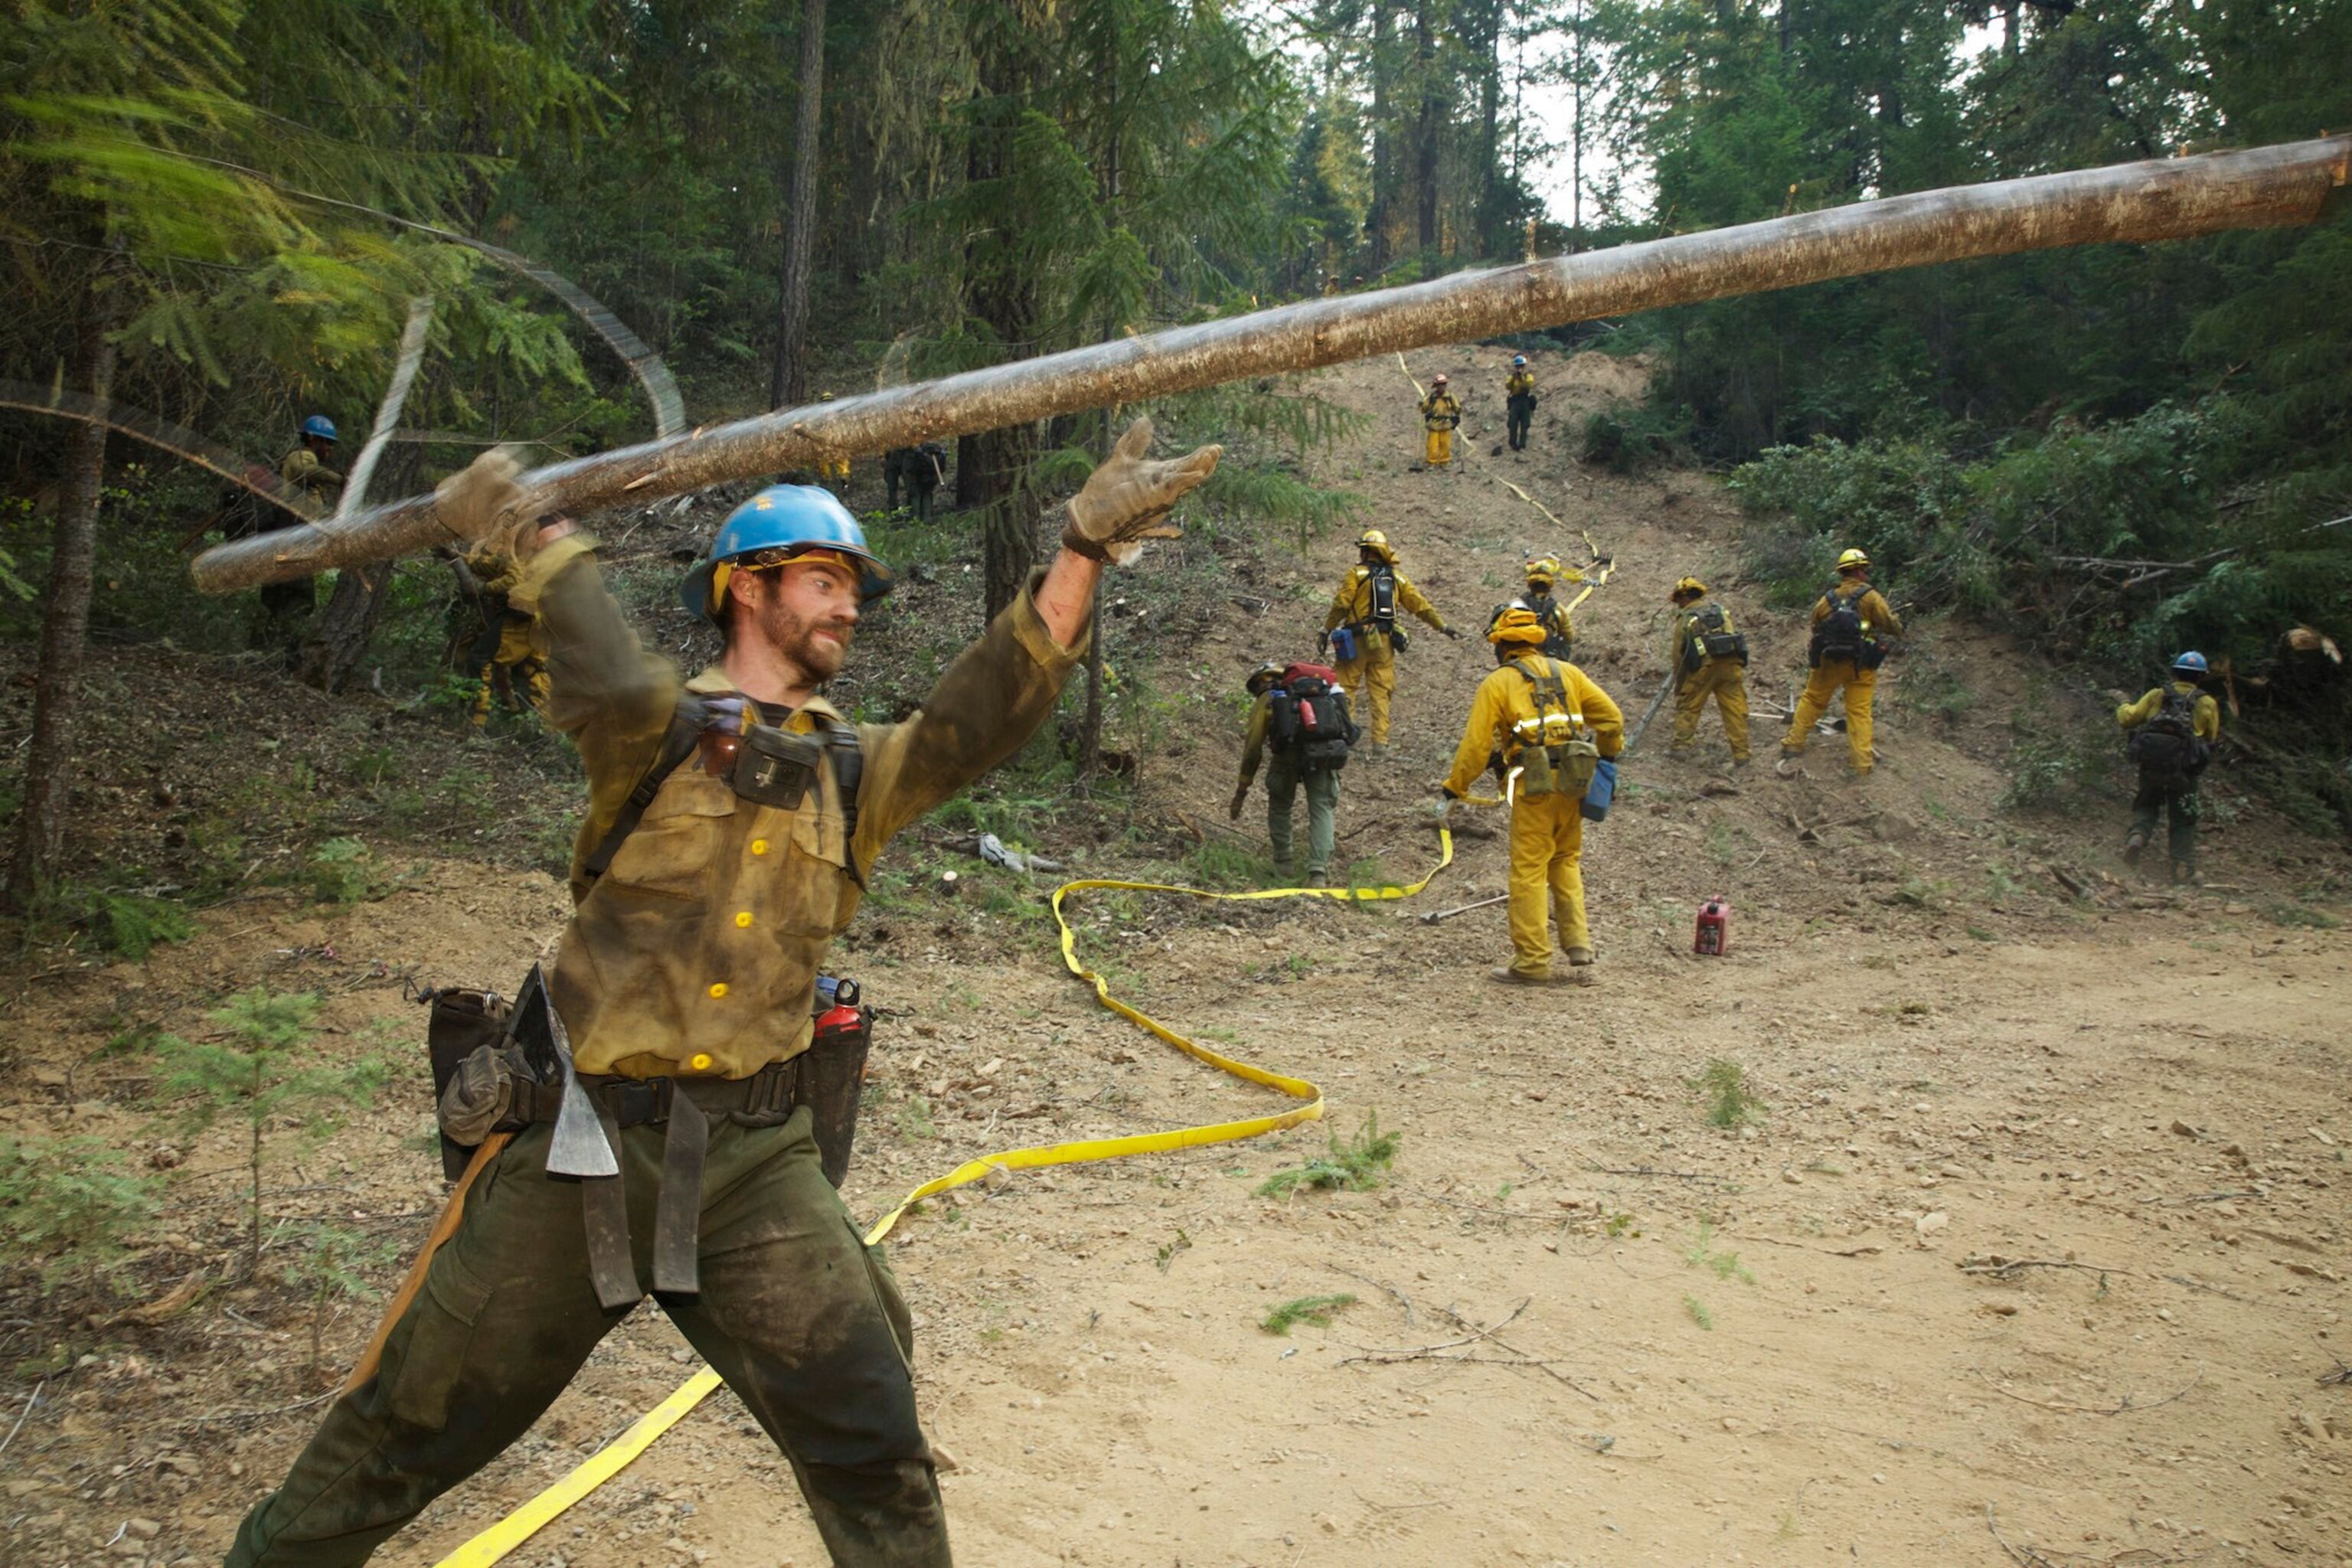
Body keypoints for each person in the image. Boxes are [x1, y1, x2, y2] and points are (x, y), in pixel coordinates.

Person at [222, 417, 1221, 1568]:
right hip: (578, 1153)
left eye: (854, 587)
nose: (850, 606)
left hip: (754, 1168)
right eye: (823, 580)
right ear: (747, 591)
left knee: (871, 1445)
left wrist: (1083, 549)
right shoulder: (649, 729)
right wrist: (533, 529)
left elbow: (985, 711)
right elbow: (596, 653)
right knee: (399, 1432)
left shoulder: (862, 774)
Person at [1440, 607, 1624, 986]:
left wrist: (1455, 788)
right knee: (1565, 858)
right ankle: (1578, 945)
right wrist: (1607, 757)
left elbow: (1476, 746)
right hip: (1575, 782)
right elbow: (1612, 720)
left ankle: (1533, 961)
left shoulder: (1499, 683)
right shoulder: (1568, 673)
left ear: (1503, 645)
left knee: (1529, 869)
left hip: (1534, 785)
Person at [1320, 528, 1458, 753]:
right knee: (1381, 691)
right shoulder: (1398, 578)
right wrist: (1443, 627)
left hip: (1355, 639)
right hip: (1384, 642)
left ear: (1365, 552)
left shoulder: (1356, 574)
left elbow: (1341, 604)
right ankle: (1380, 743)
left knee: (1346, 686)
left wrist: (1325, 630)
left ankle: (1345, 736)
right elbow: (1420, 606)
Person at [1230, 659, 1355, 884]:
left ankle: (1283, 866)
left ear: (1260, 682)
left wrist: (1242, 788)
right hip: (1323, 753)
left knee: (1280, 805)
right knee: (1322, 809)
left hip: (1286, 757)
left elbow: (1253, 748)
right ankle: (1318, 873)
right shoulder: (1322, 693)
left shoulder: (1268, 699)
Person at [1779, 547, 1901, 776]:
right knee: (1859, 712)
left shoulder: (1827, 600)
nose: (1866, 574)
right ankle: (1862, 764)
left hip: (1828, 662)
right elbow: (1890, 625)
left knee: (1813, 699)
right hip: (1860, 665)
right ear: (1857, 571)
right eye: (1864, 570)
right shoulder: (1872, 597)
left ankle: (1792, 744)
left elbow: (1815, 624)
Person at [2116, 652, 2220, 884]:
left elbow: (2128, 720)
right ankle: (2183, 870)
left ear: (2174, 672)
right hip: (2185, 772)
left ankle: (2137, 837)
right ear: (2201, 677)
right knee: (2184, 818)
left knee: (2147, 804)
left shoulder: (2157, 695)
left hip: (2151, 766)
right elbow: (2211, 738)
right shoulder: (2207, 703)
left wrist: (2123, 704)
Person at [1666, 577, 1750, 766]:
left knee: (1689, 705)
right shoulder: (1720, 611)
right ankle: (1742, 754)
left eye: (1678, 601)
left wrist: (1680, 685)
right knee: (1735, 710)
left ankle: (1681, 748)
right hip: (1731, 666)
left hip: (1704, 670)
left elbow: (1679, 655)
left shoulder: (1687, 618)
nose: (1678, 605)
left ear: (1684, 597)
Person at [1483, 555, 1575, 660]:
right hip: (1548, 663)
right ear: (1550, 586)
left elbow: (1498, 631)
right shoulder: (1558, 609)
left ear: (1530, 584)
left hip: (1518, 660)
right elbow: (1569, 637)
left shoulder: (1515, 606)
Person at [884, 442, 947, 521]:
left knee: (915, 493)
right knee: (926, 493)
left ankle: (915, 518)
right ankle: (926, 518)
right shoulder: (927, 452)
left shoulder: (911, 454)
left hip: (914, 466)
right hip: (927, 472)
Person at [1419, 374, 1462, 471]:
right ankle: (1432, 462)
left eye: (1443, 384)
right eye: (1439, 385)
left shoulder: (1450, 397)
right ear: (1436, 386)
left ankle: (1444, 462)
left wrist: (1459, 408)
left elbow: (1457, 409)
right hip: (1434, 424)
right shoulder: (1431, 398)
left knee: (1445, 444)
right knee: (1432, 445)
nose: (1441, 387)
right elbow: (1424, 410)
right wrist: (1422, 406)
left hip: (1446, 424)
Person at [1504, 356, 1537, 452]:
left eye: (1521, 366)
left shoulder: (1528, 376)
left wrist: (1522, 377)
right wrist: (1514, 378)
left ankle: (1522, 444)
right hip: (1515, 401)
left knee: (1525, 424)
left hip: (1525, 400)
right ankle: (1512, 443)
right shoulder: (1512, 376)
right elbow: (1507, 386)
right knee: (1513, 422)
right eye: (1518, 366)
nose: (1519, 368)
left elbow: (1528, 385)